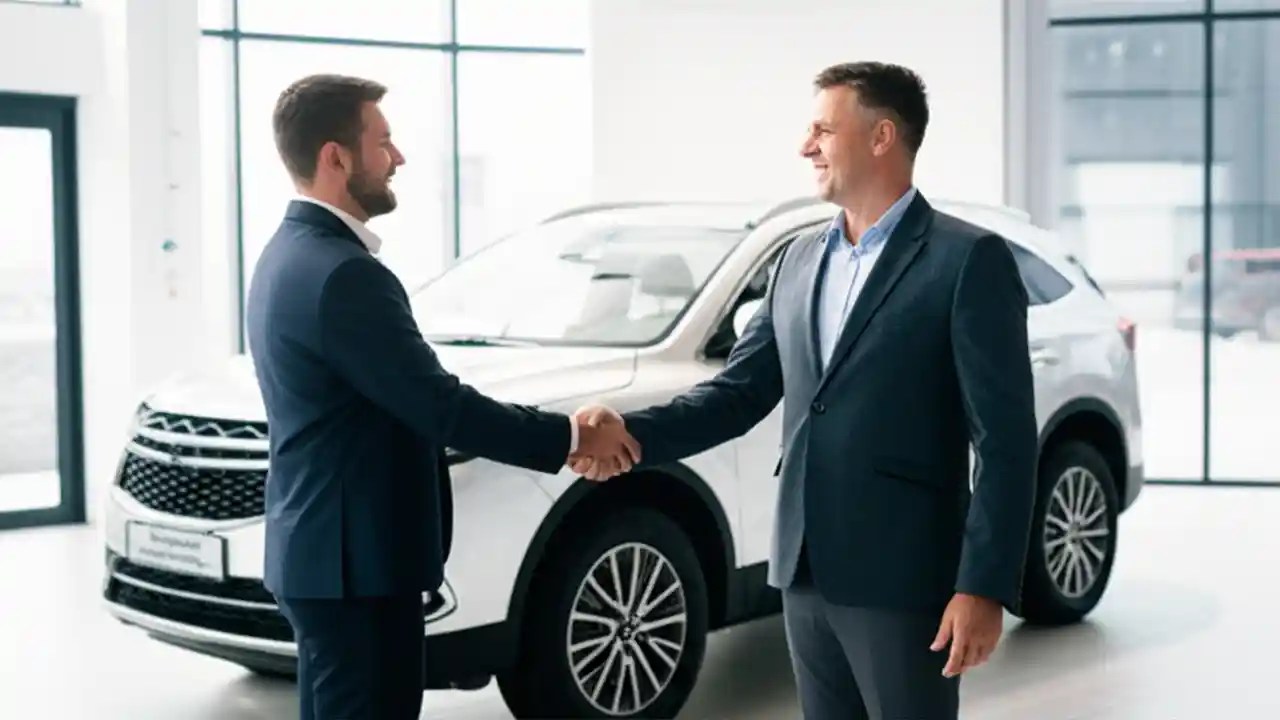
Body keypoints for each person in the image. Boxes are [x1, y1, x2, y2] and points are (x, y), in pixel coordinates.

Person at [571, 61, 1038, 719]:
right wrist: (633, 432)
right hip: (802, 570)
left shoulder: (966, 261)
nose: (805, 146)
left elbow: (1008, 443)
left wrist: (982, 587)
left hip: (905, 578)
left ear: (881, 137)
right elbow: (738, 392)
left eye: (823, 129)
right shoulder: (798, 260)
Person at [244, 73, 640, 720]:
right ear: (335, 156)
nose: (397, 158)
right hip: (360, 569)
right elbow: (440, 406)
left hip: (322, 558)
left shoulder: (284, 257)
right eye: (384, 141)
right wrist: (572, 437)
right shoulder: (346, 275)